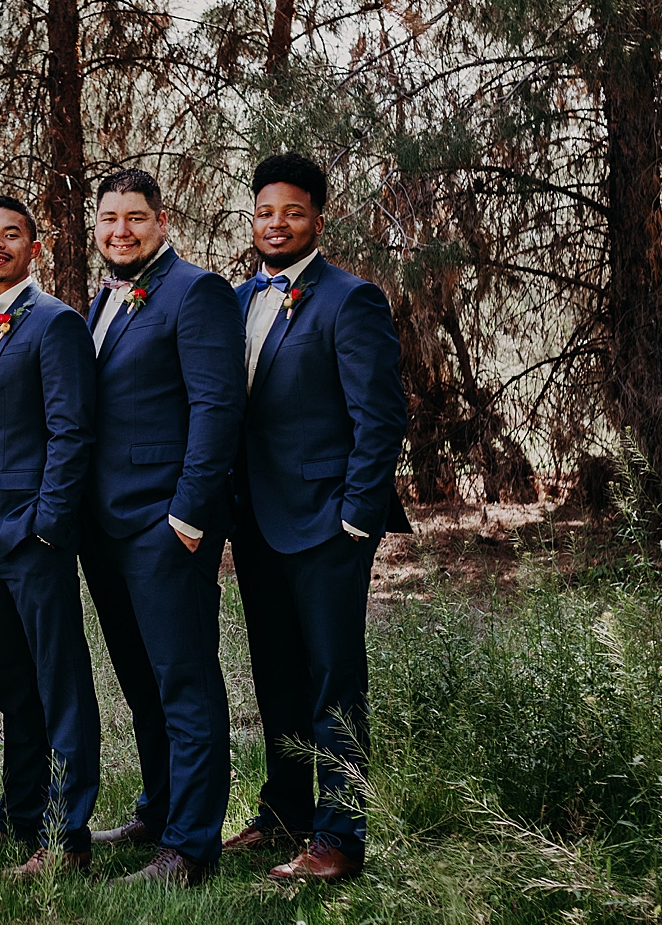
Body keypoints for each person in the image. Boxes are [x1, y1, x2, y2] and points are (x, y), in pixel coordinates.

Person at [224, 152, 408, 883]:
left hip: (330, 525)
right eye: (266, 211)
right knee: (275, 675)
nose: (277, 223)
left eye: (293, 212)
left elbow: (381, 415)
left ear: (318, 219)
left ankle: (339, 836)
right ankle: (284, 814)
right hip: (257, 523)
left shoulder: (349, 300)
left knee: (333, 679)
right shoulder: (236, 300)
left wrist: (356, 517)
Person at [80, 168, 246, 886]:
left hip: (164, 526)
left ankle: (189, 846)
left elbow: (217, 409)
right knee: (142, 682)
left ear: (163, 219)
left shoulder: (196, 291)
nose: (121, 230)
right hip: (105, 530)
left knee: (185, 683)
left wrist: (187, 517)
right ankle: (158, 805)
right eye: (109, 218)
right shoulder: (101, 302)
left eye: (135, 217)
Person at [0, 196, 102, 878]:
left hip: (31, 536)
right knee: (14, 688)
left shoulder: (57, 323)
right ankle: (19, 818)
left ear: (33, 247)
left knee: (59, 684)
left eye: (11, 234)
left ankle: (66, 838)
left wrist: (47, 524)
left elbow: (72, 431)